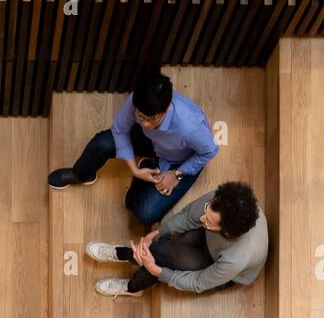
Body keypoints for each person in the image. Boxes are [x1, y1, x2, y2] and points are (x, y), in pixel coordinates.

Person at [47, 71, 218, 226]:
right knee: (101, 143)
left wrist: (177, 174)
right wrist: (134, 169)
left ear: (165, 110)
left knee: (145, 214)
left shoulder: (191, 128)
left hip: (179, 161)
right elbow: (120, 129)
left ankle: (143, 178)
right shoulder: (138, 102)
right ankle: (81, 174)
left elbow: (209, 151)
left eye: (149, 119)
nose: (142, 122)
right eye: (139, 116)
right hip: (151, 140)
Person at [87, 181, 267, 297]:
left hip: (219, 268)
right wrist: (158, 233)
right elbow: (189, 216)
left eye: (209, 221)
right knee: (161, 250)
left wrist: (157, 271)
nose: (202, 218)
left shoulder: (236, 258)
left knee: (159, 254)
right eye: (206, 211)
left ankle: (132, 284)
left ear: (227, 232)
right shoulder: (223, 201)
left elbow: (198, 282)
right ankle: (132, 266)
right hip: (211, 239)